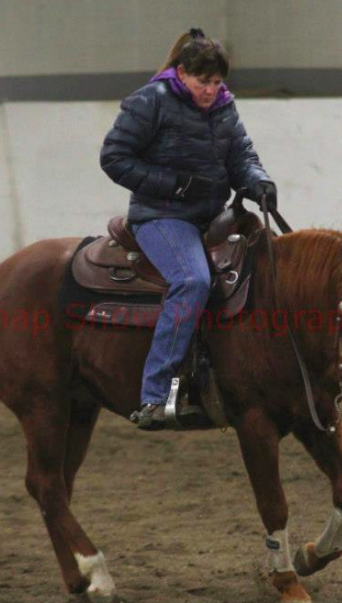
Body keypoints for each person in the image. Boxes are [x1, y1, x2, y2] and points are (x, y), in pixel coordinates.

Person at [100, 28, 277, 430]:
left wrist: (258, 181)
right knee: (193, 280)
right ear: (181, 73)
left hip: (212, 218)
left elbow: (242, 156)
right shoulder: (150, 102)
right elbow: (114, 157)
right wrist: (175, 184)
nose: (211, 90)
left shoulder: (225, 108)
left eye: (217, 82)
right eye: (203, 81)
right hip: (162, 217)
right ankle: (155, 394)